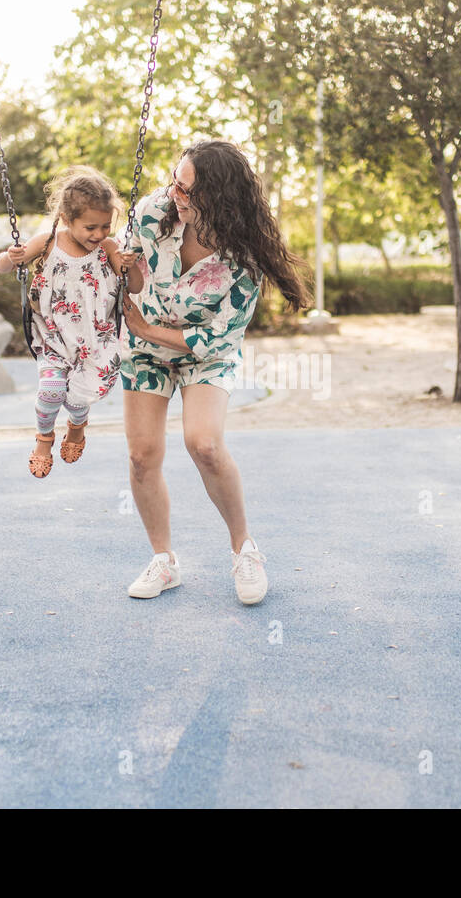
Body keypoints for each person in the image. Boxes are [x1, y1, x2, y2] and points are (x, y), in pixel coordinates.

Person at [115, 139, 309, 605]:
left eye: (188, 192)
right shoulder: (152, 213)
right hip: (145, 349)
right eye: (175, 185)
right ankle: (164, 560)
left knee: (203, 443)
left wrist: (146, 326)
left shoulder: (244, 259)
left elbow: (215, 340)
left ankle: (244, 547)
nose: (175, 196)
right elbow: (124, 268)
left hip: (204, 351)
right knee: (142, 456)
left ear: (219, 199)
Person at [0, 166, 142, 477]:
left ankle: (77, 427)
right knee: (50, 390)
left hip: (96, 340)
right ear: (66, 219)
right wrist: (12, 257)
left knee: (77, 399)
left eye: (105, 226)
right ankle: (44, 438)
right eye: (90, 227)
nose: (98, 234)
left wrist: (132, 267)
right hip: (53, 337)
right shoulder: (48, 243)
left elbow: (136, 286)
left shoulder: (110, 248)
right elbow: (1, 267)